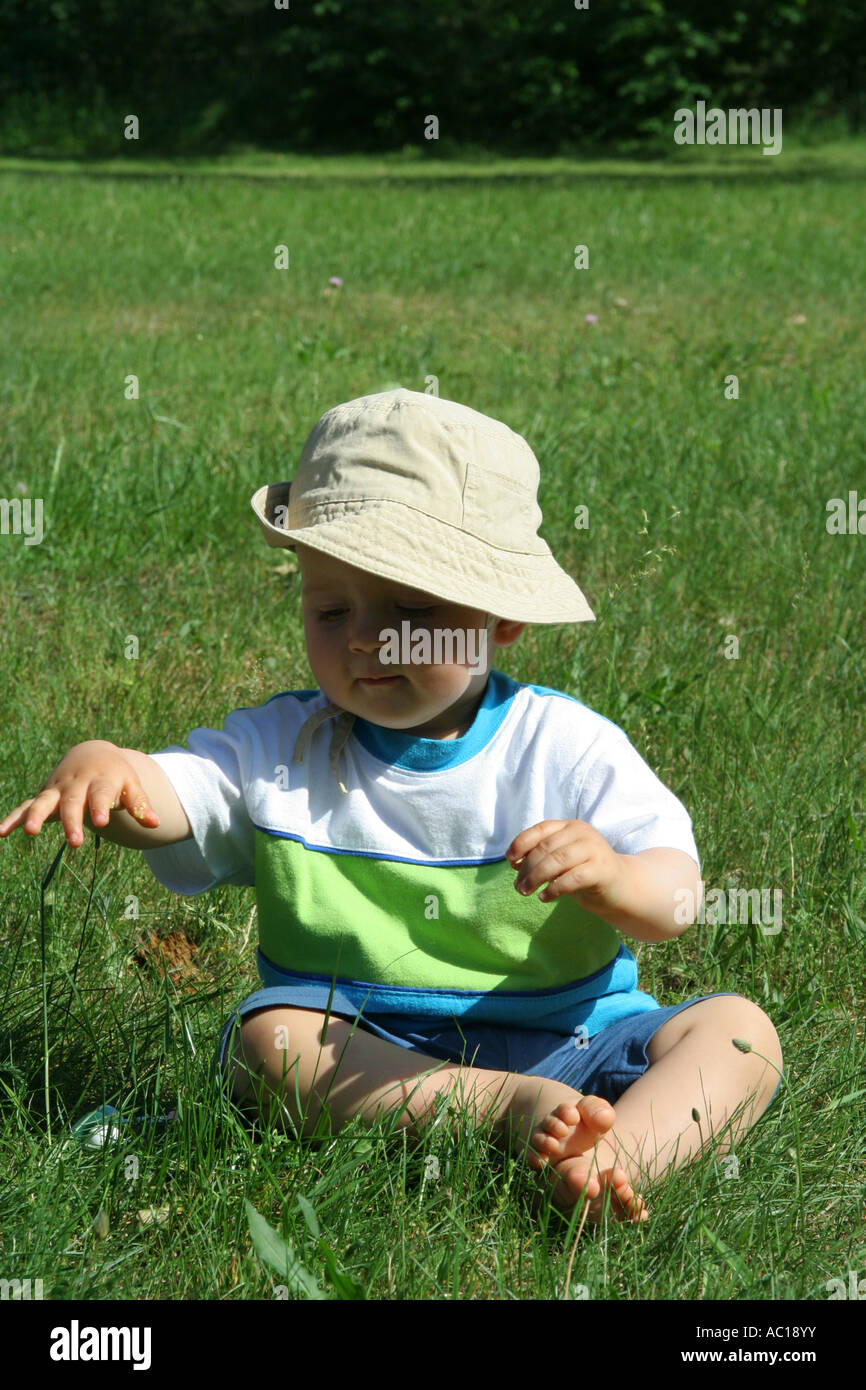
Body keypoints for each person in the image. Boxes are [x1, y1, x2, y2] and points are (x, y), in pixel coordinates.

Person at [0, 387, 783, 1223]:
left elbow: (677, 898)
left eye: (412, 609)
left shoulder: (566, 747)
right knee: (268, 1042)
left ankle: (615, 1152)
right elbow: (172, 795)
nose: (370, 637)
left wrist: (617, 878)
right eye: (333, 609)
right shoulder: (283, 750)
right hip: (371, 1058)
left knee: (742, 1034)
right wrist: (106, 768)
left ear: (502, 617)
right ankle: (499, 1111)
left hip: (580, 1041)